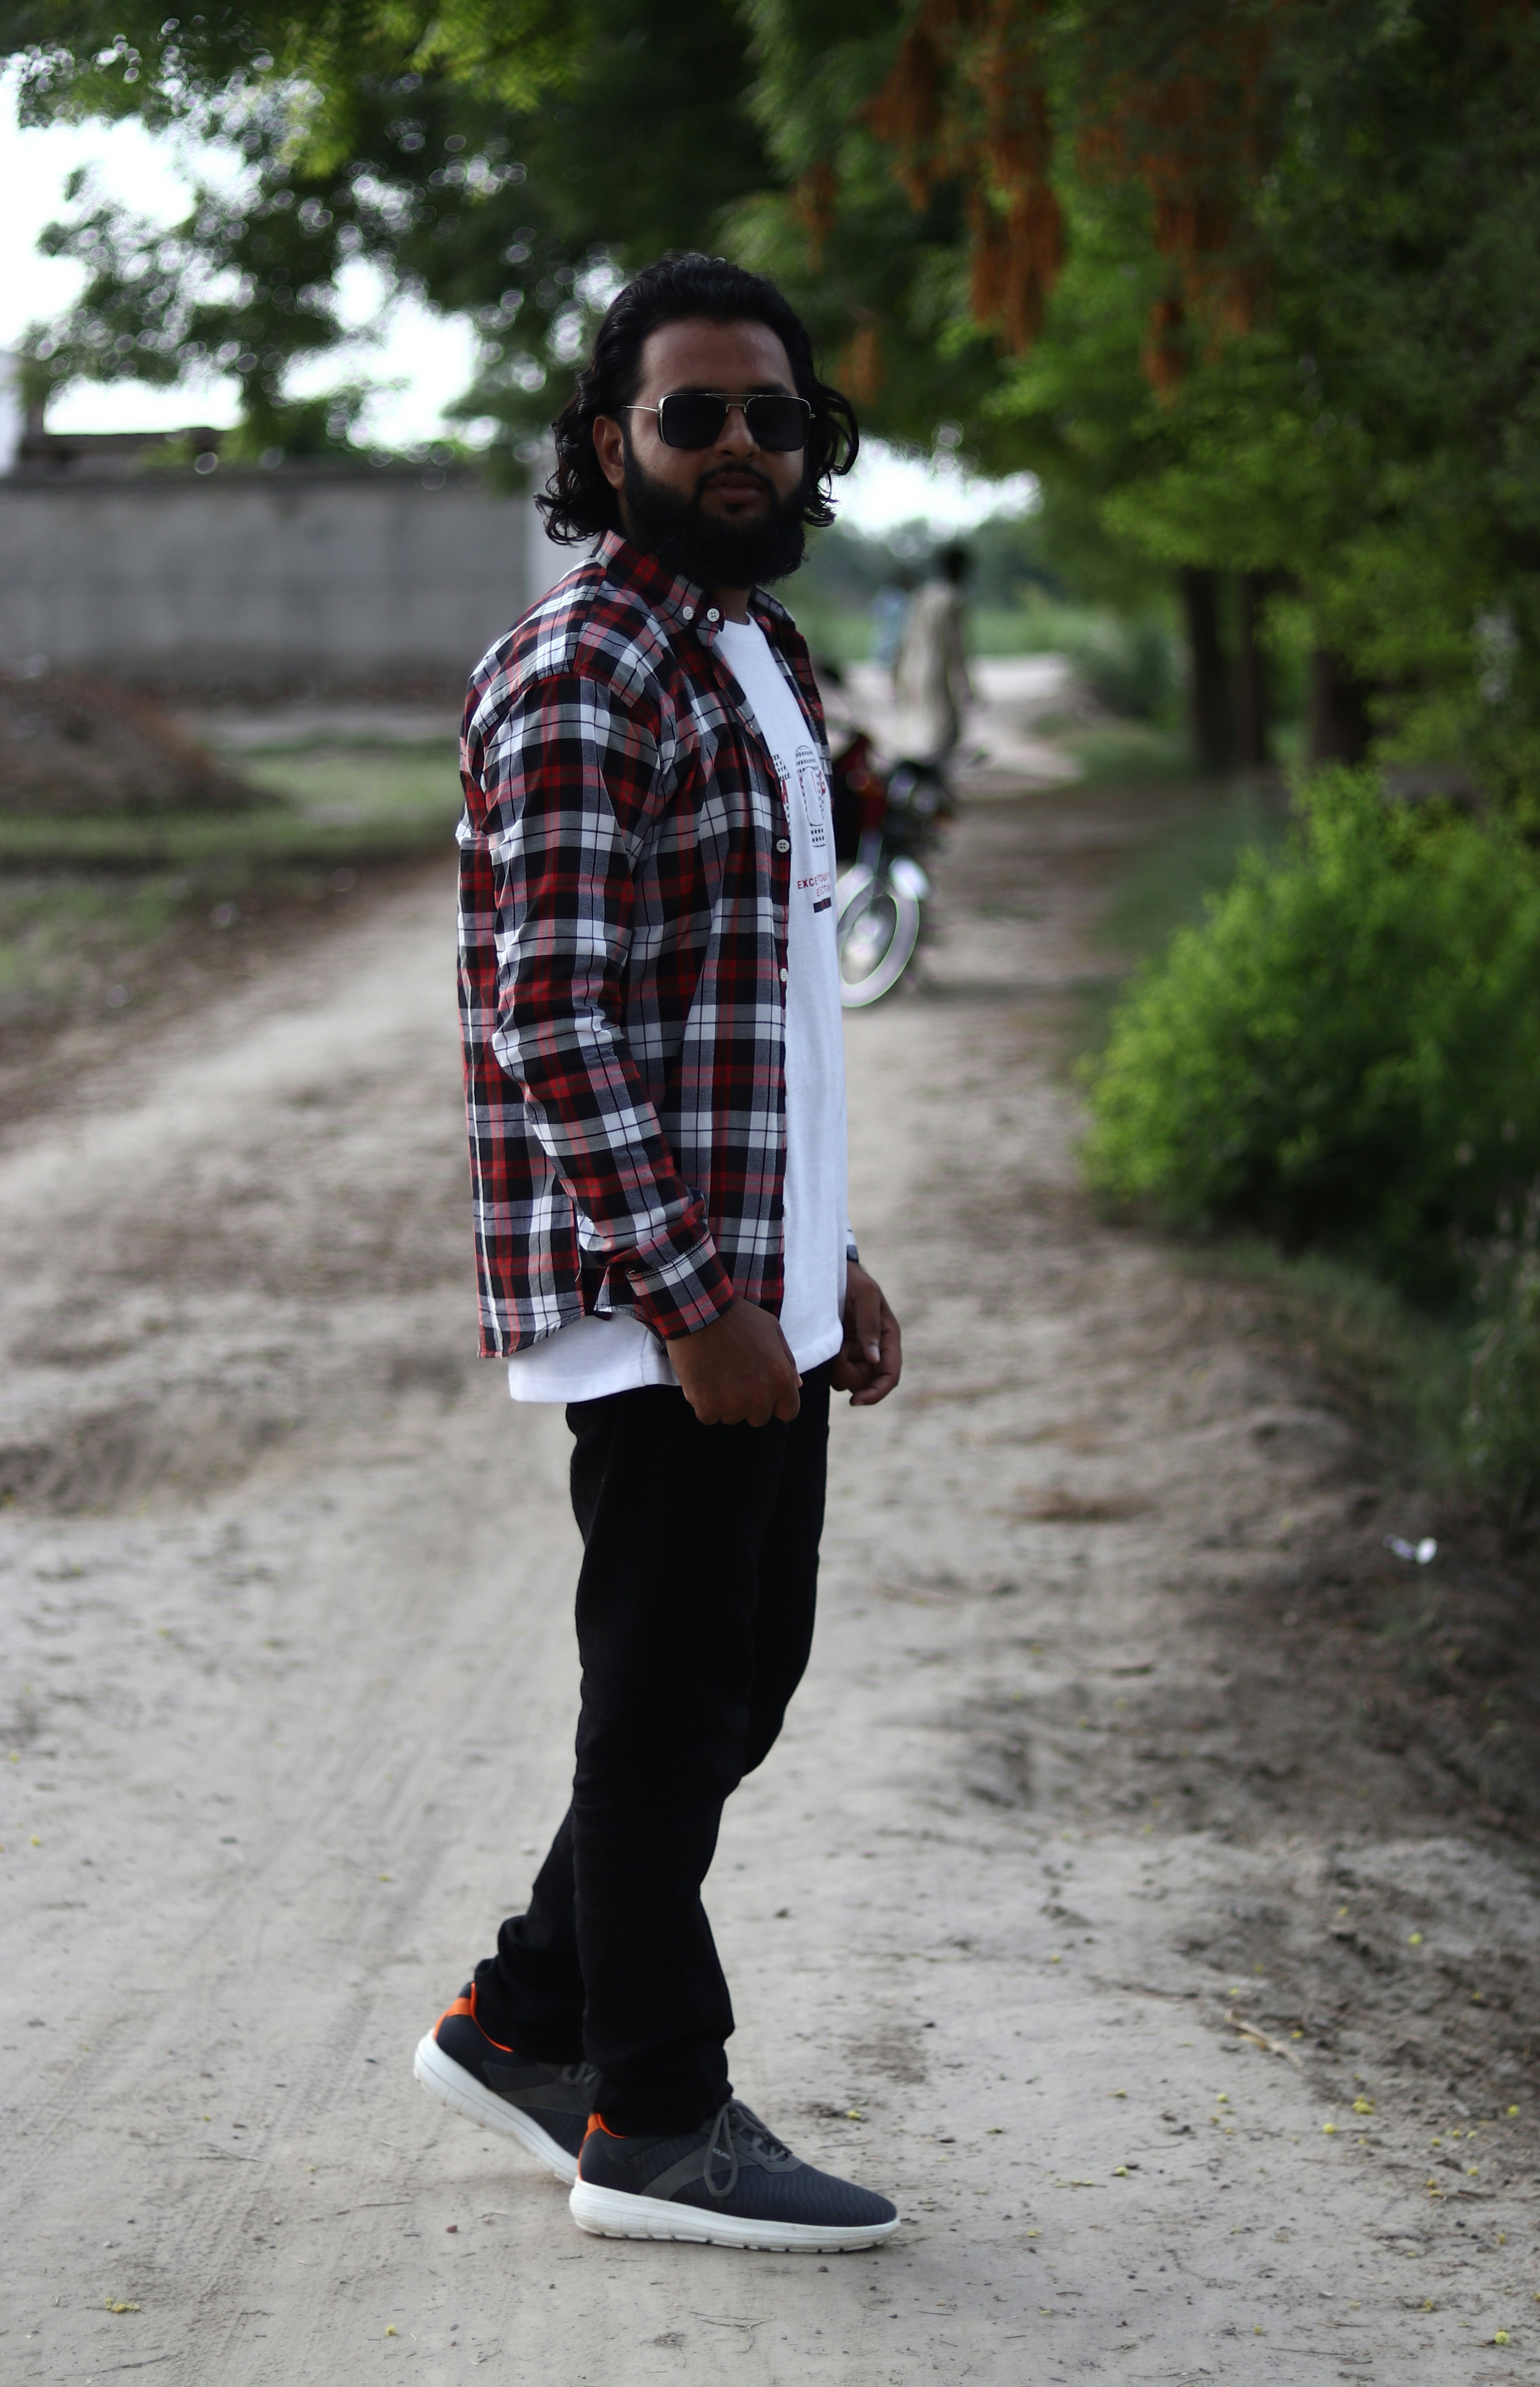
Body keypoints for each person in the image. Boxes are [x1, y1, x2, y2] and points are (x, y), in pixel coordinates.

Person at [413, 254, 904, 2256]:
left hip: (742, 1264)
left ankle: (526, 2016)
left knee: (731, 1681)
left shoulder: (751, 654)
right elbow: (557, 1016)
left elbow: (750, 1016)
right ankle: (654, 2112)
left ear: (807, 445)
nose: (731, 445)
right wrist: (695, 1295)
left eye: (767, 416)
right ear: (606, 441)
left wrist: (822, 1260)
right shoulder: (583, 668)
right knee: (661, 1699)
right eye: (688, 414)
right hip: (654, 1291)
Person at [892, 542, 974, 761]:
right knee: (944, 730)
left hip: (912, 669)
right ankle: (927, 777)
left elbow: (905, 639)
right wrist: (966, 684)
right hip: (936, 672)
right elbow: (955, 647)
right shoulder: (952, 598)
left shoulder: (924, 594)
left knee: (920, 725)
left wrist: (897, 672)